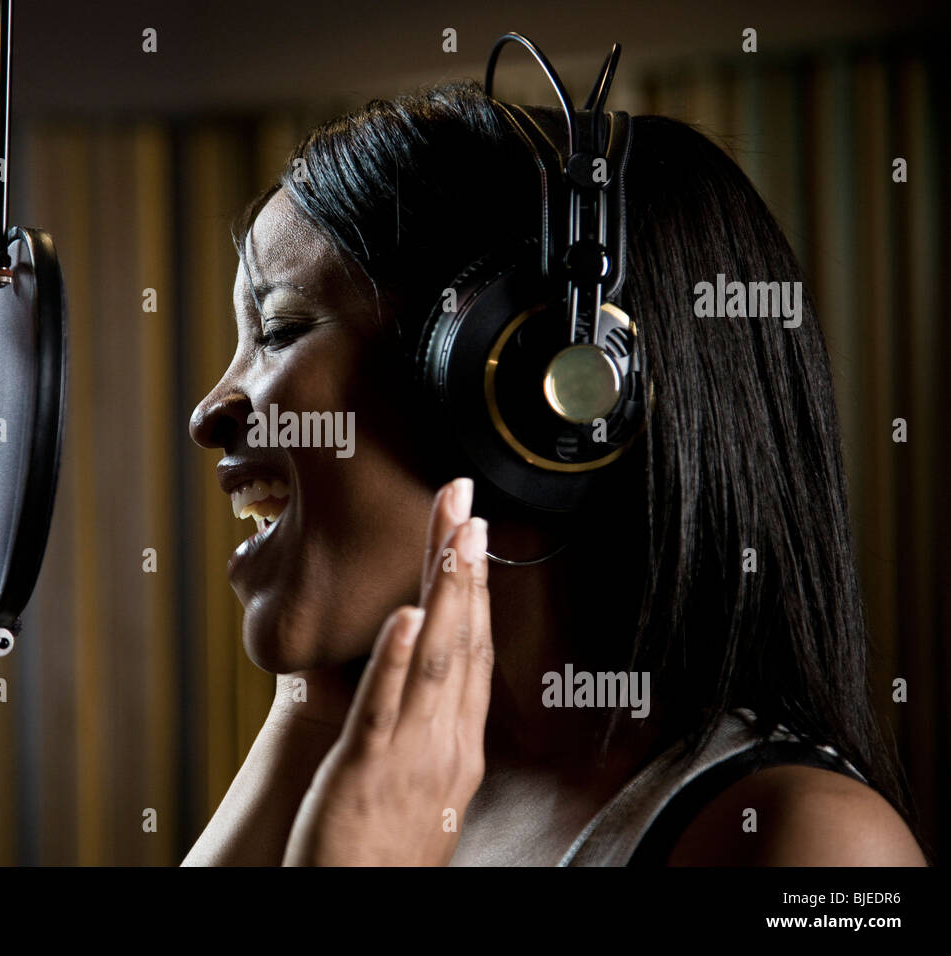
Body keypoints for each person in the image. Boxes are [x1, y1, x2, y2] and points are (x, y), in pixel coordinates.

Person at [183, 80, 926, 865]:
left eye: (280, 328)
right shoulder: (375, 795)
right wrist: (299, 731)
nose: (207, 414)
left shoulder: (816, 844)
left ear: (510, 383)